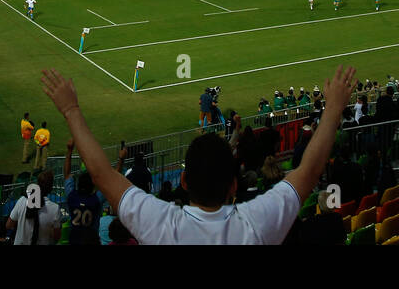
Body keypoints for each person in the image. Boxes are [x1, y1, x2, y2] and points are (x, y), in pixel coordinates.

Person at [41, 63, 358, 244]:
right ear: (234, 185)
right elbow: (309, 172)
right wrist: (332, 110)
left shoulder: (163, 225)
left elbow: (102, 174)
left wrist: (70, 109)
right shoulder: (258, 222)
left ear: (184, 180)